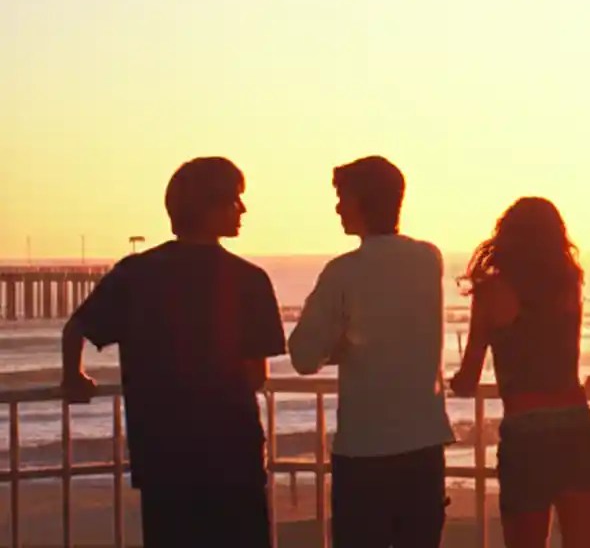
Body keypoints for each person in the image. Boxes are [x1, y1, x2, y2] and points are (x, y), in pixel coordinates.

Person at [61, 157, 286, 548]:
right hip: (232, 453)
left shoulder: (135, 274)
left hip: (163, 454)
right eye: (235, 200)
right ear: (210, 207)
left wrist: (73, 376)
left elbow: (77, 327)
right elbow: (257, 375)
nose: (243, 209)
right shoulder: (248, 279)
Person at [288, 156, 455, 548]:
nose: (338, 207)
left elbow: (302, 356)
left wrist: (338, 346)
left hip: (365, 451)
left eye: (342, 197)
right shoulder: (428, 258)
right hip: (424, 446)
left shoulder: (342, 272)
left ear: (362, 201)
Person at [450, 197, 590, 548]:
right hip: (575, 426)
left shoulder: (492, 292)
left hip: (526, 433)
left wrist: (447, 382)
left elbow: (469, 377)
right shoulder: (569, 286)